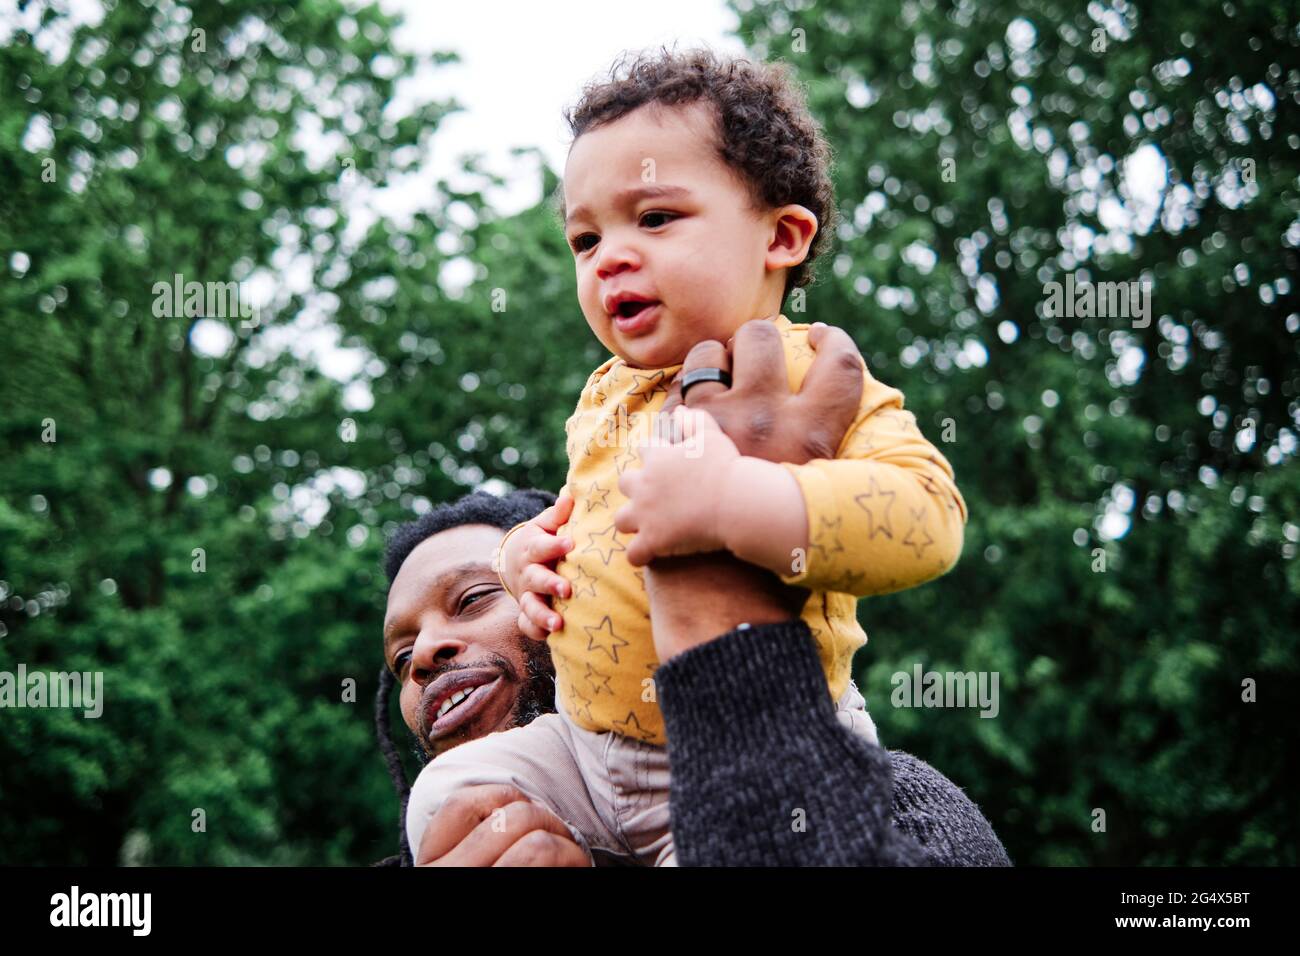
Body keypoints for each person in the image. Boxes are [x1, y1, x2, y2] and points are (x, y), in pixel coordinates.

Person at [405, 47, 969, 865]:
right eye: (584, 238)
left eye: (656, 218)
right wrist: (523, 556)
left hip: (746, 740)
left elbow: (929, 522)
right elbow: (581, 523)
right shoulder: (604, 392)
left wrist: (734, 504)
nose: (609, 258)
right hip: (583, 746)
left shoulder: (816, 371)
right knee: (442, 797)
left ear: (782, 235)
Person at [375, 326, 1010, 866]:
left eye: (476, 596)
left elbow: (925, 522)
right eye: (401, 659)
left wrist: (728, 570)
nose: (426, 652)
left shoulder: (904, 804)